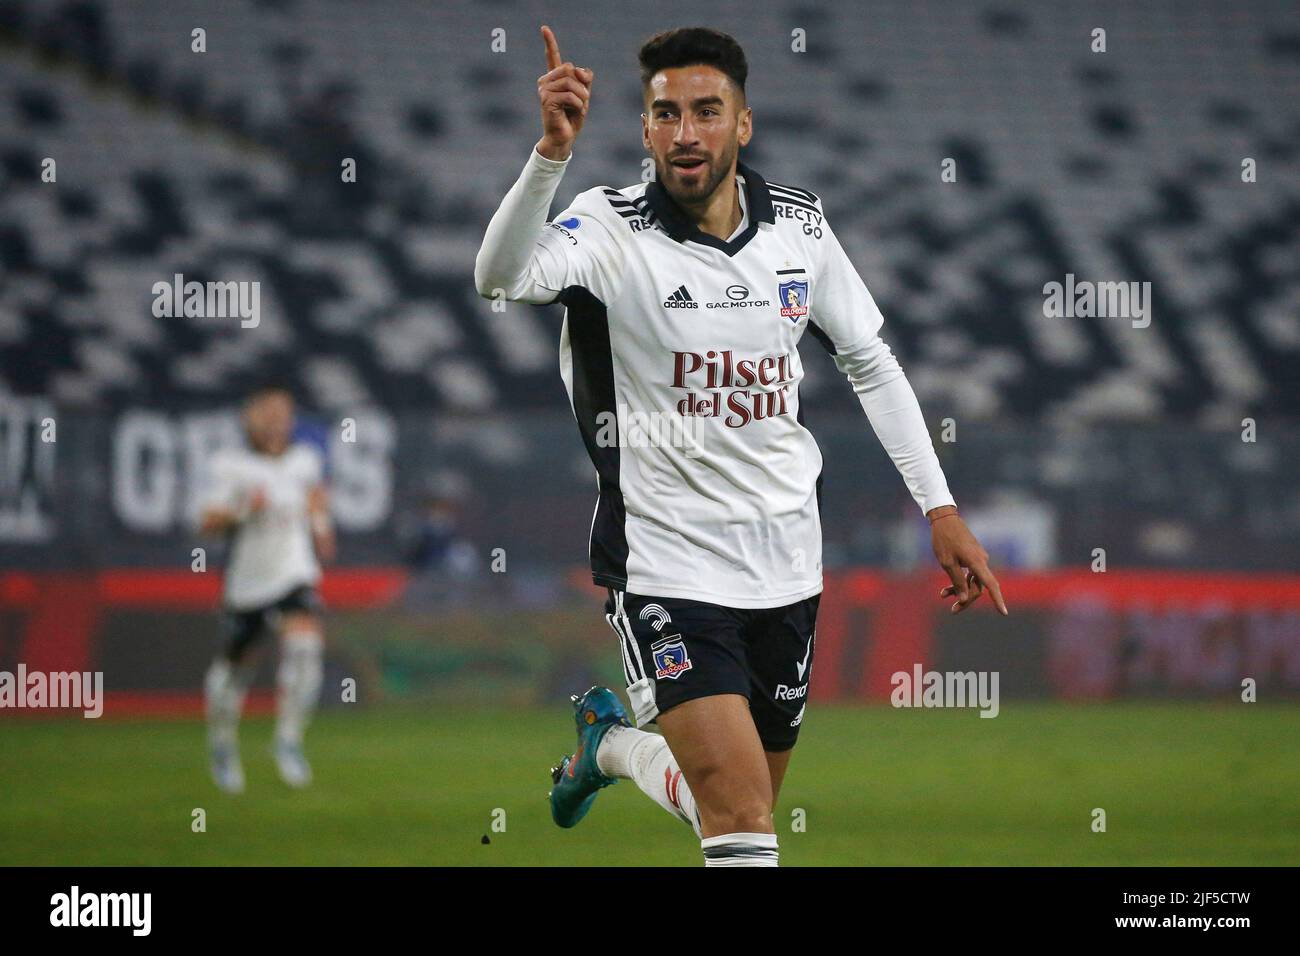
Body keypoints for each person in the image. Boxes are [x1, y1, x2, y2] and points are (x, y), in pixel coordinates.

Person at [475, 25, 1007, 866]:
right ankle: (616, 745)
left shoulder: (799, 227)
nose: (686, 131)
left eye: (706, 111)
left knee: (737, 803)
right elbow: (498, 277)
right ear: (645, 129)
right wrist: (549, 155)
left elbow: (871, 361)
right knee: (742, 820)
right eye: (666, 114)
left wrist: (939, 508)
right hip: (666, 563)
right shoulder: (606, 229)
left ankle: (608, 747)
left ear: (742, 124)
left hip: (788, 561)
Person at [199, 385, 335, 793]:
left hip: (295, 572)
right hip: (248, 582)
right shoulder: (230, 466)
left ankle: (288, 740)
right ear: (249, 418)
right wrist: (243, 508)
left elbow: (315, 499)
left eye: (284, 413)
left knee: (306, 649)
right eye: (269, 413)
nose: (277, 422)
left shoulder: (305, 460)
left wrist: (322, 527)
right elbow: (206, 523)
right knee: (235, 670)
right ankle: (222, 744)